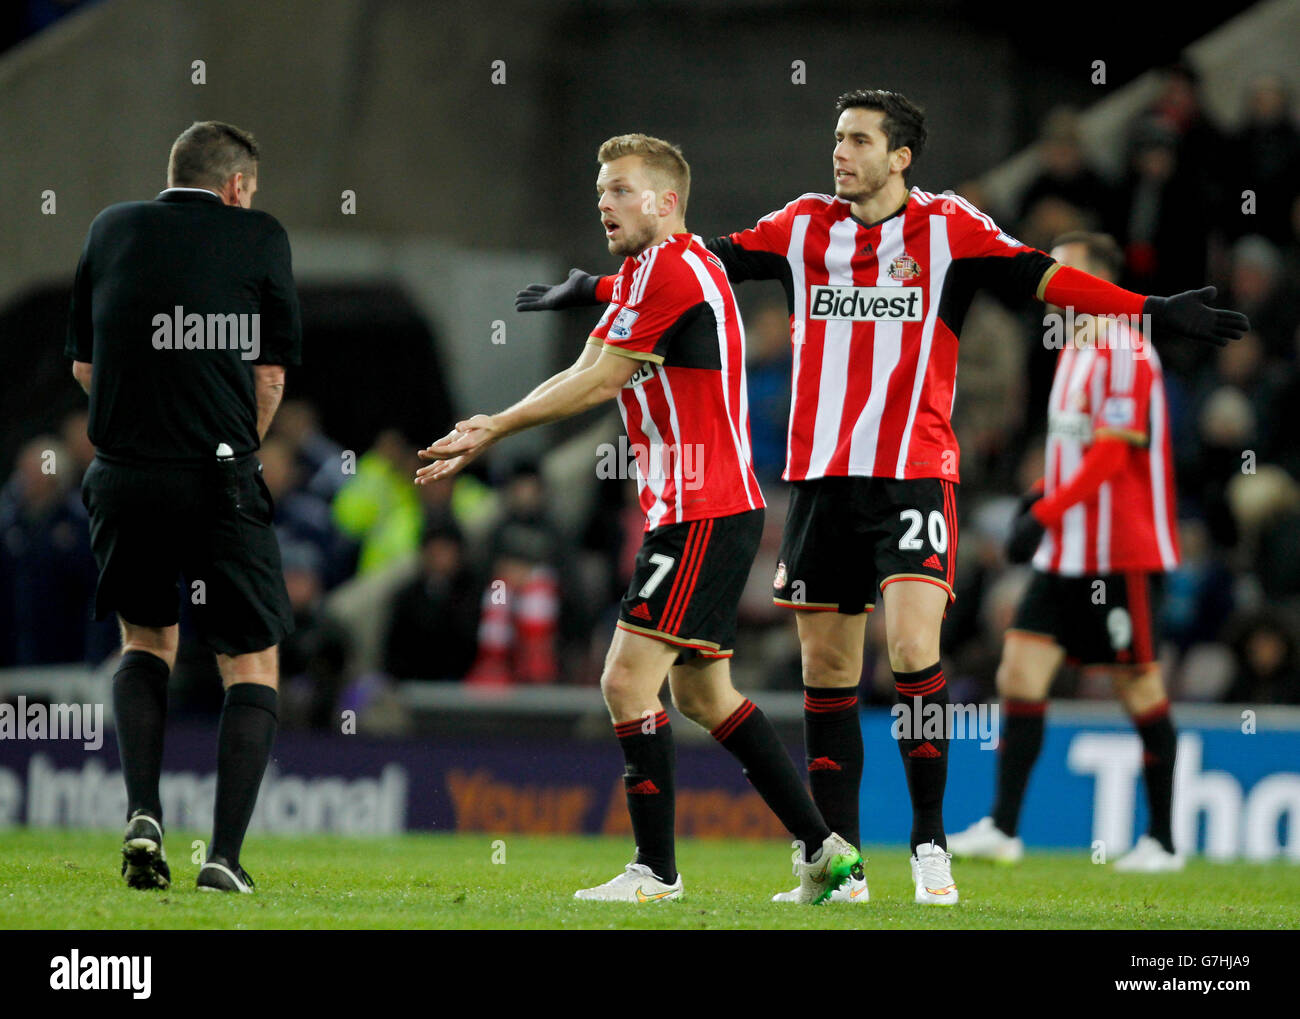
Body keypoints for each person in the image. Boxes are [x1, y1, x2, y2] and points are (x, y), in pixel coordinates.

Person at [516, 90, 1247, 904]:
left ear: (901, 157)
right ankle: (839, 864)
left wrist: (1149, 309)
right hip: (822, 479)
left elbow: (1043, 278)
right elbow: (694, 261)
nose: (840, 152)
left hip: (912, 471)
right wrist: (596, 289)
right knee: (826, 669)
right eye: (836, 137)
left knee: (909, 647)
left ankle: (930, 842)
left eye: (858, 140)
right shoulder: (801, 225)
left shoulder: (952, 229)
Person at [418, 133, 861, 904]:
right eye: (601, 190)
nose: (604, 202)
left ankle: (656, 872)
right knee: (701, 696)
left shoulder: (674, 269)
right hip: (704, 507)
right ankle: (827, 854)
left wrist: (496, 426)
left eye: (621, 188)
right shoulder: (645, 273)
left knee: (626, 681)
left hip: (701, 508)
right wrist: (496, 419)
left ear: (666, 199)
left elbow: (601, 386)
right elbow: (590, 366)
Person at [66, 120, 301, 894]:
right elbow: (268, 377)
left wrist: (145, 423)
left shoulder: (110, 228)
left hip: (122, 475)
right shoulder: (259, 235)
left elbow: (83, 363)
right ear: (236, 187)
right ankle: (223, 857)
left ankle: (142, 812)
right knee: (251, 661)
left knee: (146, 640)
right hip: (216, 477)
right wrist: (231, 442)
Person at [948, 233, 1185, 872]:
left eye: (1069, 270)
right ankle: (1003, 828)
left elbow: (1113, 451)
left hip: (1120, 552)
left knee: (1137, 683)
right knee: (1019, 675)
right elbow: (1073, 453)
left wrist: (1043, 514)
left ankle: (1163, 839)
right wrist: (1037, 500)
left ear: (1103, 281)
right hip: (1068, 551)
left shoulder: (1126, 348)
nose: (1053, 280)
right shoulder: (1074, 351)